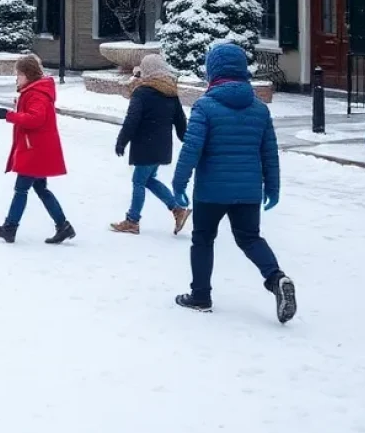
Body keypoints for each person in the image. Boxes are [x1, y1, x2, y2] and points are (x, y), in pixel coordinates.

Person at [171, 43, 296, 323]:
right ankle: (277, 279)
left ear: (212, 72)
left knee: (203, 239)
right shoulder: (259, 110)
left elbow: (191, 149)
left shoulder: (205, 106)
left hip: (211, 191)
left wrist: (179, 183)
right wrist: (273, 187)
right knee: (250, 238)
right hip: (248, 190)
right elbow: (269, 153)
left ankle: (200, 295)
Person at [0, 54, 75, 245]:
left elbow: (36, 119)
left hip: (35, 149)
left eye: (18, 74)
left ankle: (10, 228)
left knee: (21, 189)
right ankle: (63, 225)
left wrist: (10, 116)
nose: (16, 78)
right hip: (36, 148)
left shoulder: (37, 94)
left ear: (27, 74)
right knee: (41, 188)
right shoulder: (33, 91)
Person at [110, 54, 190, 235]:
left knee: (139, 181)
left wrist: (121, 142)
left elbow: (132, 120)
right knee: (148, 180)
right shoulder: (170, 93)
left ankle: (132, 221)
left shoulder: (142, 92)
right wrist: (187, 140)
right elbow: (181, 122)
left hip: (145, 146)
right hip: (162, 147)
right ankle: (178, 210)